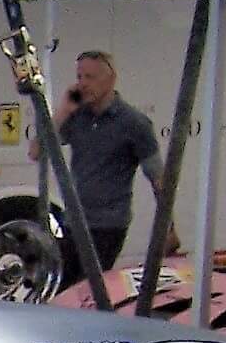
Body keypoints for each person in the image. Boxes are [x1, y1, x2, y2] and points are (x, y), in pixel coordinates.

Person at [38, 51, 178, 279]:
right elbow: (36, 151)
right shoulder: (77, 116)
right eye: (79, 77)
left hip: (108, 226)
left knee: (90, 287)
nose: (83, 84)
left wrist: (168, 228)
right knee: (64, 286)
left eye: (90, 77)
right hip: (74, 222)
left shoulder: (134, 123)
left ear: (111, 80)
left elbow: (158, 180)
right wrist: (63, 111)